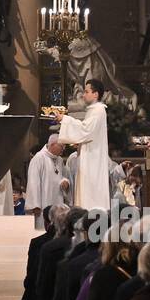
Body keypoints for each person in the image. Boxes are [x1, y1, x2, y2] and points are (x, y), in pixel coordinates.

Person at [54, 79, 110, 209]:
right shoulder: (93, 110)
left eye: (86, 91)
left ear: (96, 94)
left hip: (93, 160)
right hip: (90, 155)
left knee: (91, 194)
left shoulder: (98, 110)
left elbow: (85, 130)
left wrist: (65, 119)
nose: (83, 95)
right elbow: (88, 133)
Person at [24, 135, 67, 229]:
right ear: (52, 145)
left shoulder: (59, 160)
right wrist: (35, 205)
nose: (63, 149)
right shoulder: (38, 158)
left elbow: (64, 175)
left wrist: (65, 181)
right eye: (61, 147)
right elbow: (33, 182)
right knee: (43, 230)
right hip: (43, 203)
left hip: (57, 200)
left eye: (64, 147)